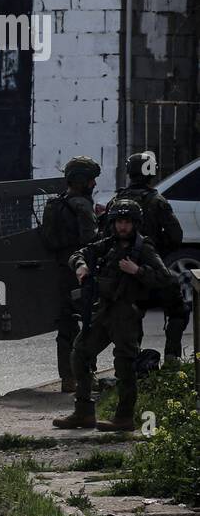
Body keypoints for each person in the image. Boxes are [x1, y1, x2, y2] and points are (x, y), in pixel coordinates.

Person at [54, 199, 172, 432]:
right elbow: (79, 253)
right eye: (119, 221)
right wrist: (80, 265)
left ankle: (124, 417)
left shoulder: (143, 248)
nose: (123, 227)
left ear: (135, 224)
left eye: (127, 222)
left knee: (125, 365)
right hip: (104, 310)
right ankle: (83, 412)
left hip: (126, 312)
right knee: (80, 353)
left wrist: (137, 270)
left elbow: (165, 277)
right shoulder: (107, 244)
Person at [103, 153, 188, 362]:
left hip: (122, 274)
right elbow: (176, 237)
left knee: (132, 315)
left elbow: (104, 237)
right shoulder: (157, 201)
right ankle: (171, 357)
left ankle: (133, 361)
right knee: (179, 310)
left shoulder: (116, 201)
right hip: (152, 272)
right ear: (152, 172)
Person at [39, 156, 100, 391]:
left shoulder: (55, 204)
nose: (94, 184)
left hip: (62, 272)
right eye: (91, 180)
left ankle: (67, 378)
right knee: (88, 326)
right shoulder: (82, 205)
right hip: (82, 272)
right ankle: (86, 375)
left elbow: (49, 240)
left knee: (66, 327)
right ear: (81, 180)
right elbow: (91, 240)